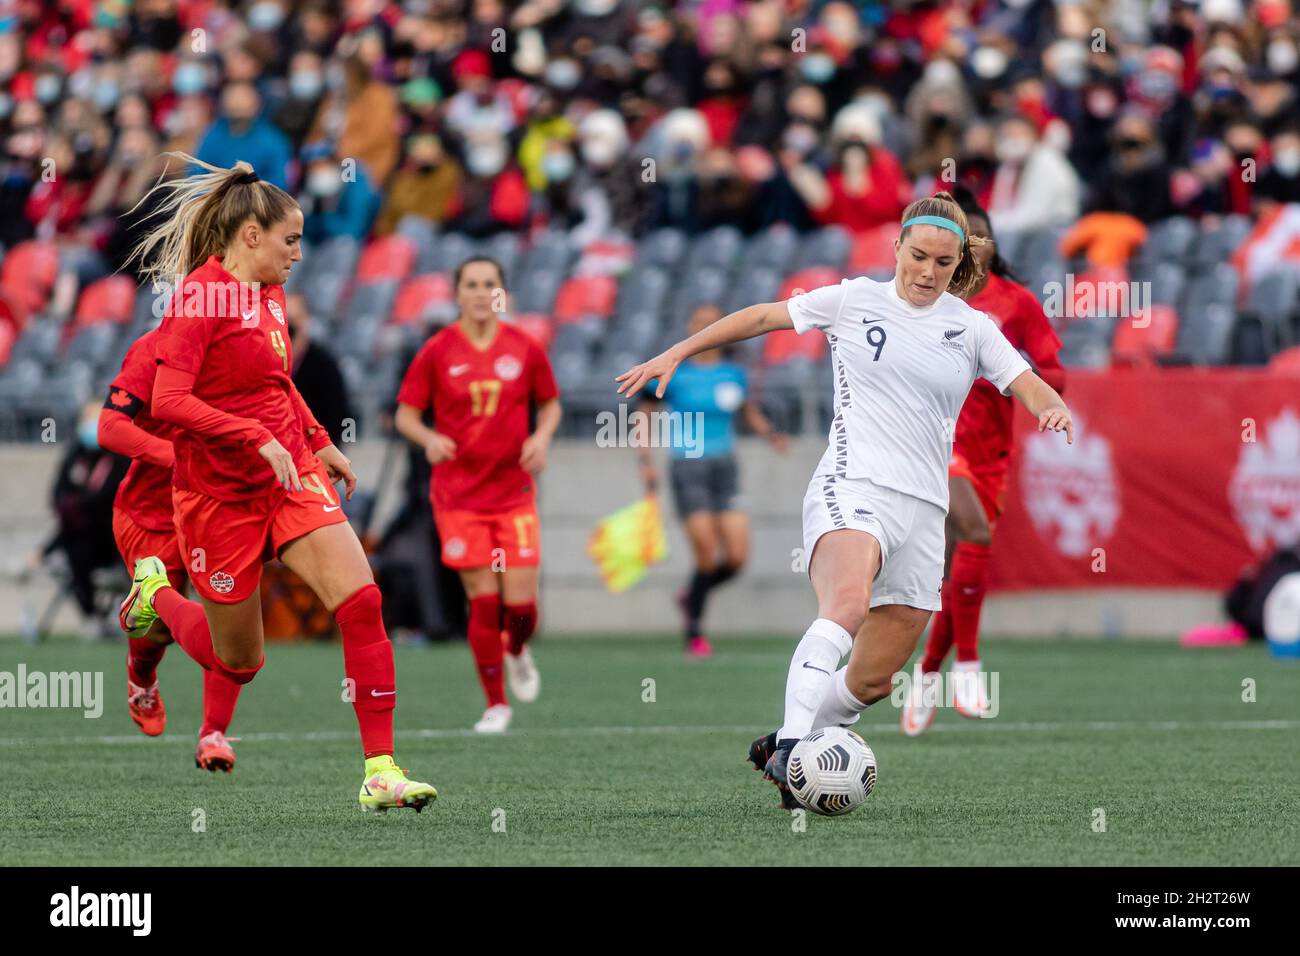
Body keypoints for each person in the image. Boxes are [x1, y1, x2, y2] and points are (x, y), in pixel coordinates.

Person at [616, 192, 1074, 809]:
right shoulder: (853, 299)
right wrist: (679, 350)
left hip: (924, 510)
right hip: (852, 485)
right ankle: (795, 750)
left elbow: (1025, 381)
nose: (927, 272)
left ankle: (784, 735)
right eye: (917, 257)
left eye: (942, 263)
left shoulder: (971, 327)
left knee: (872, 680)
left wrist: (1052, 408)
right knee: (848, 603)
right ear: (898, 249)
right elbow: (761, 318)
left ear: (958, 262)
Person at [115, 154, 437, 813]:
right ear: (251, 236)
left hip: (289, 478)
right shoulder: (199, 299)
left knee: (362, 601)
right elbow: (171, 400)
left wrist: (318, 441)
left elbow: (276, 381)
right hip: (216, 498)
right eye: (290, 240)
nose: (299, 254)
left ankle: (380, 770)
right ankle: (155, 598)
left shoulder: (270, 292)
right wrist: (250, 436)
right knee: (239, 663)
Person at [901, 188, 1066, 736]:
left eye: (976, 236)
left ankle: (927, 674)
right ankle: (968, 662)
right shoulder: (928, 302)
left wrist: (1010, 373)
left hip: (992, 451)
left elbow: (1052, 371)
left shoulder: (1015, 303)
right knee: (973, 534)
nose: (969, 246)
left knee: (958, 569)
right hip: (940, 447)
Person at [394, 257, 561, 734]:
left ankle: (517, 648)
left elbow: (549, 403)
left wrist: (541, 438)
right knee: (484, 602)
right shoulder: (437, 350)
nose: (480, 292)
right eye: (471, 284)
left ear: (501, 292)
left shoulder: (525, 348)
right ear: (457, 292)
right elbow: (406, 413)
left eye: (490, 283)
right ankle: (496, 705)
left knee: (522, 607)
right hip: (459, 497)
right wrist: (428, 439)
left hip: (513, 493)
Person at [98, 329, 244, 771]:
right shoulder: (154, 347)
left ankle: (213, 734)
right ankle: (141, 672)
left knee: (229, 612)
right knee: (158, 628)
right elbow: (109, 428)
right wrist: (177, 456)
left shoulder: (250, 343)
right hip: (152, 513)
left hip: (219, 507)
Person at [637, 304, 787, 658]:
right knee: (706, 556)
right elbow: (645, 413)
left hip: (725, 467)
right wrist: (645, 460)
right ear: (690, 330)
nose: (705, 329)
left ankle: (691, 595)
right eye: (698, 323)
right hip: (687, 467)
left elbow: (748, 411)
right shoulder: (675, 372)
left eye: (711, 324)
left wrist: (771, 434)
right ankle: (694, 630)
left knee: (735, 557)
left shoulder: (734, 374)